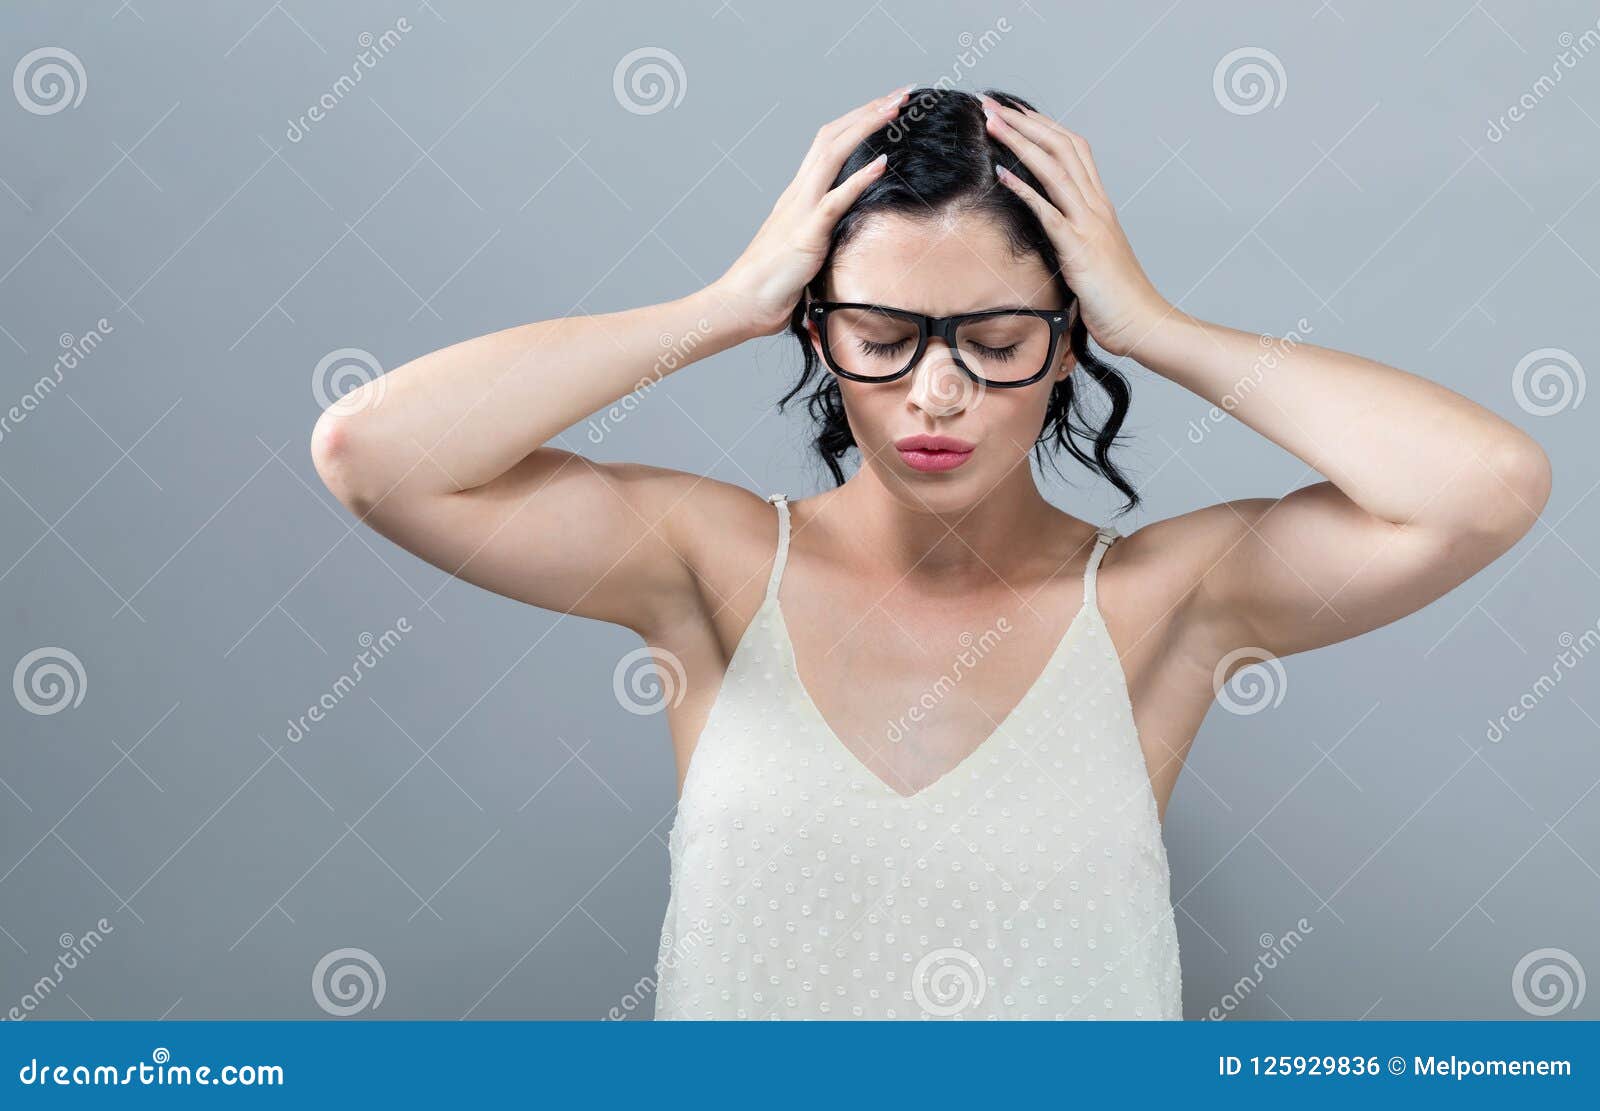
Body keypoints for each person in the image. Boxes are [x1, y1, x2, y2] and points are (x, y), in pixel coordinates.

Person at [310, 85, 1551, 1019]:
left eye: (998, 337)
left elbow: (1483, 488)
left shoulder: (1166, 598)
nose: (937, 392)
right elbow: (374, 451)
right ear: (816, 333)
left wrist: (1159, 326)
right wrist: (726, 303)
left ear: (1068, 343)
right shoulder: (709, 562)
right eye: (882, 334)